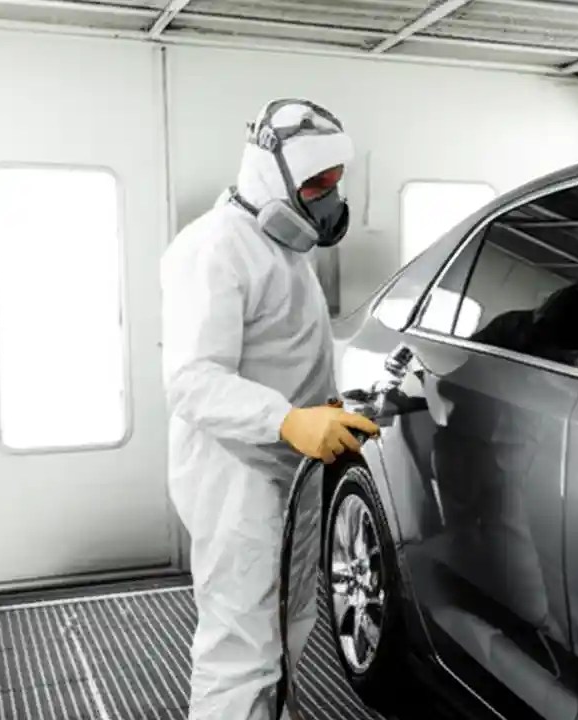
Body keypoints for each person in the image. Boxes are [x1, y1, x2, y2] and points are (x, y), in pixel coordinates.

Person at [160, 98, 379, 720]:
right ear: (269, 178)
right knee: (241, 651)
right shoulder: (212, 249)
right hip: (238, 475)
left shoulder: (288, 248)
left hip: (286, 470)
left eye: (335, 184)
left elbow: (284, 345)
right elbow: (191, 380)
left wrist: (328, 403)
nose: (328, 200)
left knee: (285, 628)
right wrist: (289, 420)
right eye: (315, 185)